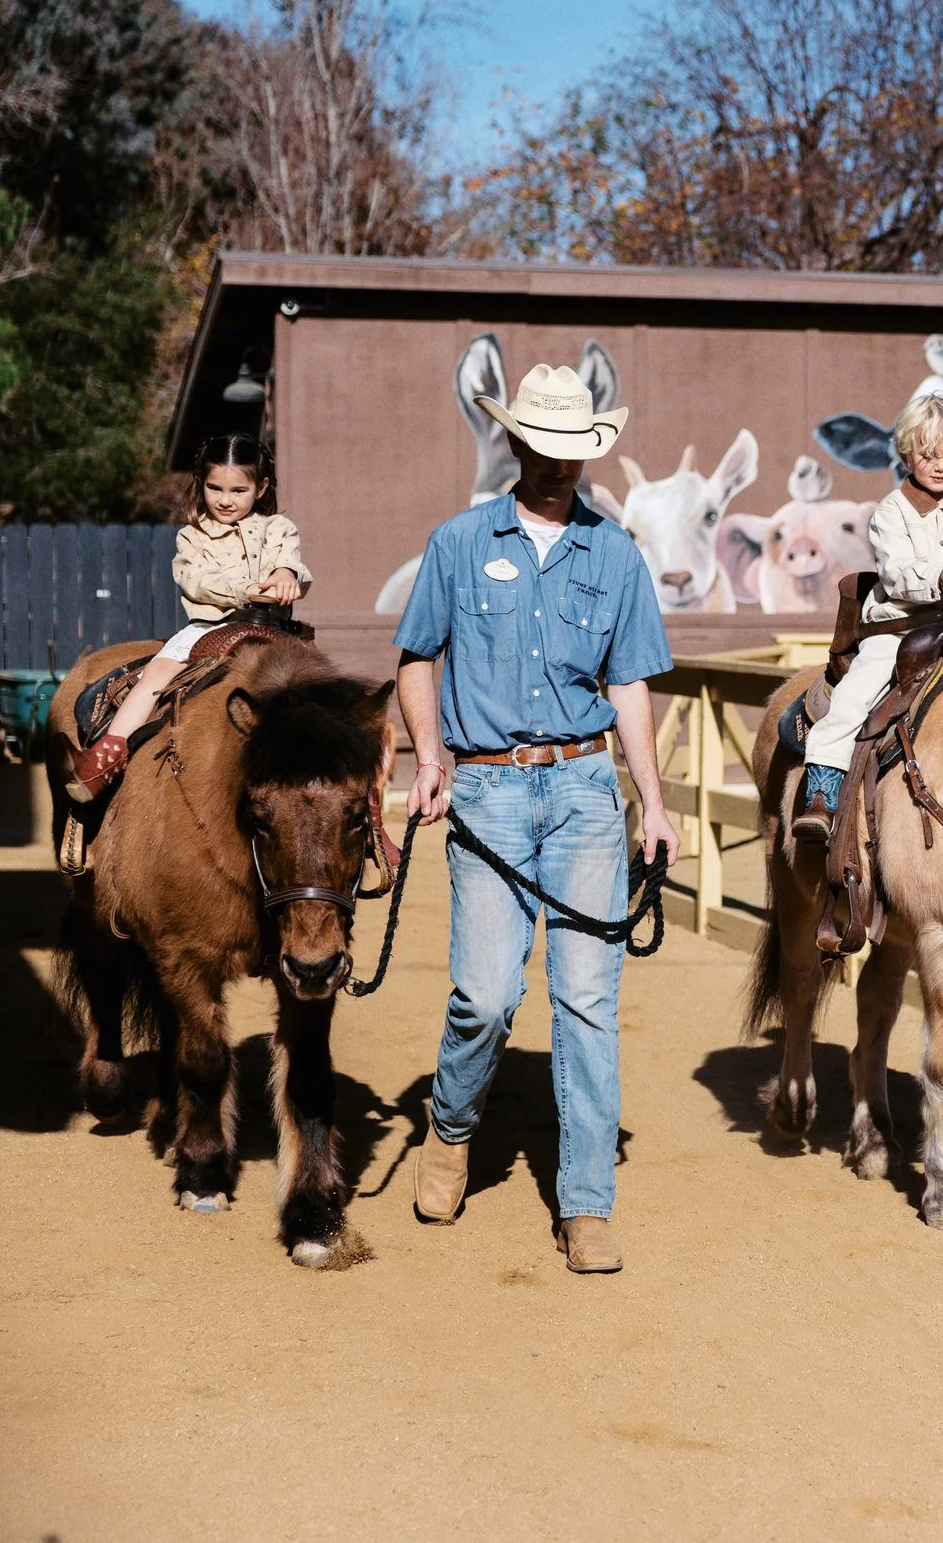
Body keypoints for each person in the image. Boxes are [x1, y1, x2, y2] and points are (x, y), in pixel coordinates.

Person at [392, 361, 680, 1275]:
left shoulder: (617, 553)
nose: (559, 465)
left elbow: (629, 684)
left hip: (586, 793)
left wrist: (653, 802)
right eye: (544, 447)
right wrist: (428, 758)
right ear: (516, 443)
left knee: (587, 1000)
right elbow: (416, 657)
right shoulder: (457, 542)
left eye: (573, 450)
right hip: (487, 792)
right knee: (485, 996)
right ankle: (450, 1130)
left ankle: (586, 1205)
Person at [792, 392, 943, 841]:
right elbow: (895, 570)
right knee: (854, 699)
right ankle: (822, 793)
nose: (940, 466)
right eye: (928, 456)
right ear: (907, 455)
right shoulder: (892, 511)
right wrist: (937, 577)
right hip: (898, 631)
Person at [67, 433, 310, 803]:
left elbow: (290, 561)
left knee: (321, 688)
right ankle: (107, 755)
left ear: (260, 488)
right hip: (212, 627)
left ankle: (354, 790)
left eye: (238, 491)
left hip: (272, 628)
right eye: (215, 488)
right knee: (158, 673)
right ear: (201, 484)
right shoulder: (193, 536)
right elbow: (194, 580)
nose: (225, 500)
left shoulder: (278, 528)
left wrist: (286, 575)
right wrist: (244, 589)